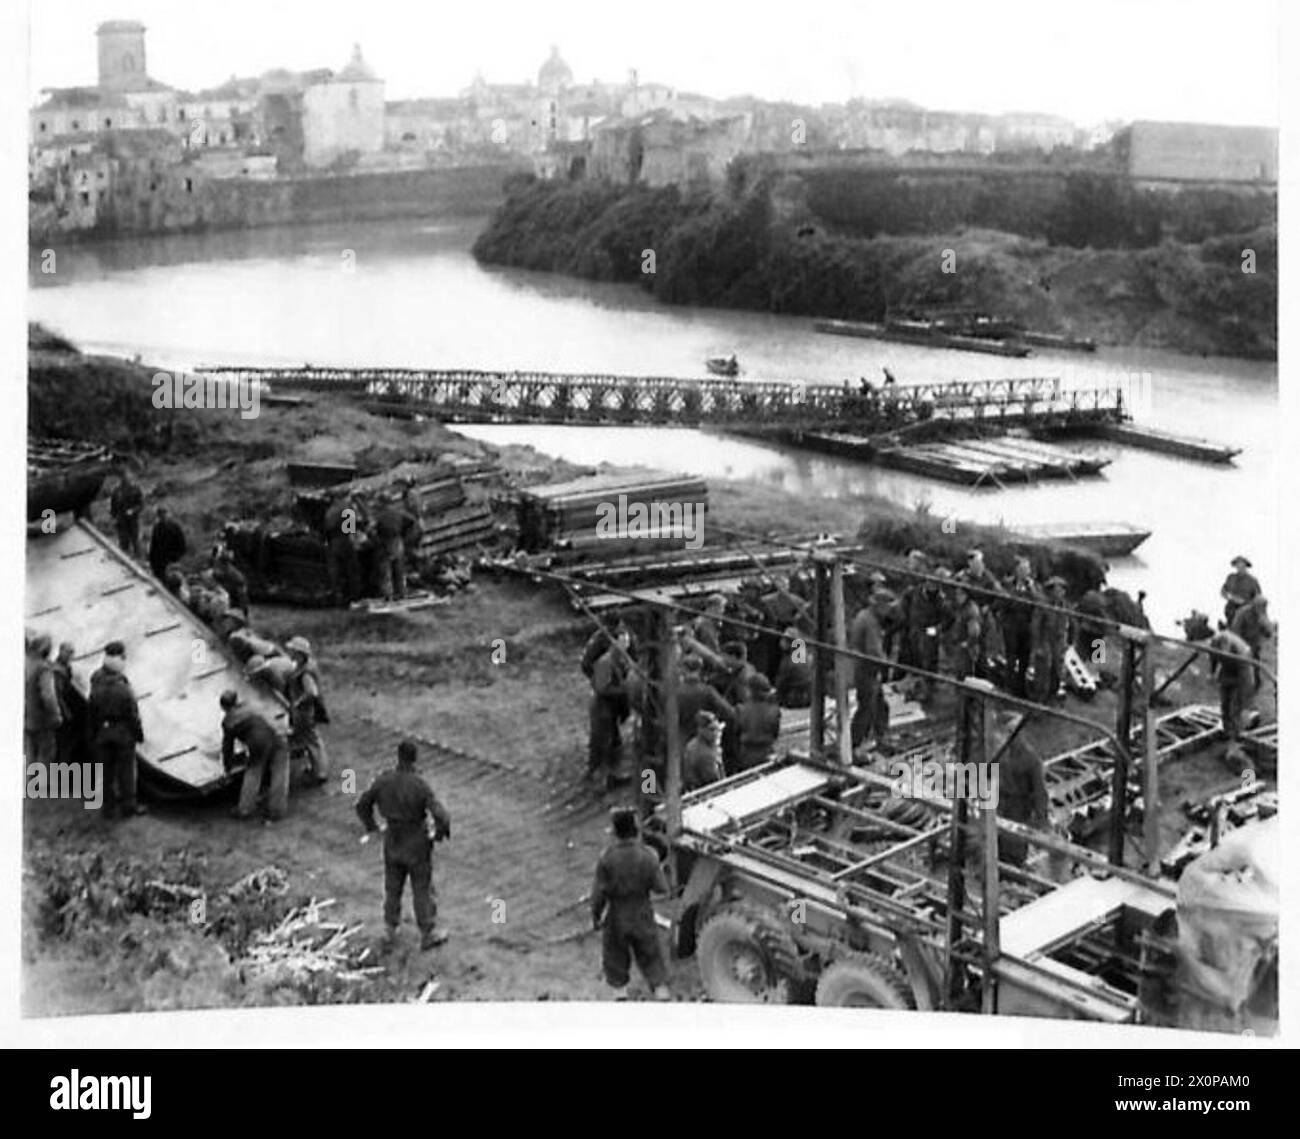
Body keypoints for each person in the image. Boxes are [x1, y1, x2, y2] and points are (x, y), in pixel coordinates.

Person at [356, 740, 452, 950]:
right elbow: (442, 816)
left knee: (392, 887)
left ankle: (390, 929)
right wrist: (438, 835)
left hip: (392, 838)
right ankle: (427, 932)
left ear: (398, 756)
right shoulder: (419, 784)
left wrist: (373, 827)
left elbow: (362, 805)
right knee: (421, 889)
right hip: (416, 841)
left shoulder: (384, 780)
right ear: (414, 758)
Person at [590, 807, 671, 1001]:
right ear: (635, 829)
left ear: (615, 831)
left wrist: (595, 917)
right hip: (642, 913)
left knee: (616, 962)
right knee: (652, 959)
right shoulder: (648, 856)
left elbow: (598, 894)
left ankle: (621, 1000)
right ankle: (662, 997)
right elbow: (662, 888)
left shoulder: (607, 858)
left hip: (617, 916)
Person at [87, 641, 145, 818]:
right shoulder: (123, 689)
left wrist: (94, 732)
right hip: (123, 734)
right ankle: (129, 806)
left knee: (105, 773)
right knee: (126, 772)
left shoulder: (96, 679)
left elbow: (92, 709)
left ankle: (108, 807)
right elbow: (132, 714)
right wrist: (139, 734)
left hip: (103, 733)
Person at [219, 690, 290, 822]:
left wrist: (227, 768)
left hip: (258, 743)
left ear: (223, 707)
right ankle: (276, 811)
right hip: (277, 734)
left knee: (253, 772)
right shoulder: (250, 705)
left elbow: (227, 747)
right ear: (236, 701)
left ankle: (245, 809)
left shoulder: (228, 722)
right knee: (280, 772)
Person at [991, 713, 1048, 867]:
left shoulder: (1031, 760)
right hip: (999, 805)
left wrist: (1042, 821)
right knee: (995, 844)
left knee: (1014, 846)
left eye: (1011, 733)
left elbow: (1040, 793)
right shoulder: (1000, 754)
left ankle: (1014, 871)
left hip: (1019, 809)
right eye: (1006, 733)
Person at [848, 589, 893, 752]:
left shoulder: (863, 615)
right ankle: (855, 742)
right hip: (867, 670)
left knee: (879, 706)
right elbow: (874, 650)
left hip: (862, 667)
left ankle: (879, 737)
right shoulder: (871, 622)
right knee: (867, 708)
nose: (888, 611)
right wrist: (887, 664)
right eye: (887, 606)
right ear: (879, 605)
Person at [588, 629, 632, 781]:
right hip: (602, 709)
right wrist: (626, 689)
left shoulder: (622, 658)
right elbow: (602, 688)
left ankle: (611, 774)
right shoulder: (605, 662)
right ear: (614, 641)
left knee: (613, 742)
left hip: (612, 708)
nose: (627, 643)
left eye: (628, 640)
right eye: (623, 640)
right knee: (603, 743)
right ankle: (600, 779)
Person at [285, 636, 329, 785]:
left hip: (304, 712)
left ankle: (320, 772)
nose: (289, 652)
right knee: (311, 740)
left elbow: (311, 692)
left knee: (312, 741)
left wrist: (298, 702)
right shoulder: (308, 665)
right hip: (306, 711)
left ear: (298, 653)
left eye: (292, 650)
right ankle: (316, 768)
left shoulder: (305, 672)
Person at [1000, 557, 1042, 698]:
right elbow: (1005, 601)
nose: (1025, 573)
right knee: (1011, 657)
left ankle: (1021, 687)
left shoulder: (1033, 586)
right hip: (1011, 625)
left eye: (1027, 570)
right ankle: (1008, 687)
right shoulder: (1008, 584)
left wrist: (1031, 589)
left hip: (1026, 627)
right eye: (1022, 569)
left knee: (1025, 658)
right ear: (1017, 571)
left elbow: (1039, 603)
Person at [1208, 629, 1253, 747]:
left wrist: (1246, 706)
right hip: (1227, 670)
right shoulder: (1214, 643)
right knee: (1224, 702)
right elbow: (1212, 658)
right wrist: (1212, 672)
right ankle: (1227, 731)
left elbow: (1247, 682)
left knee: (1235, 705)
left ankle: (1237, 736)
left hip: (1239, 672)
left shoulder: (1242, 653)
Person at [675, 654, 734, 744]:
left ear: (684, 670)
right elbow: (728, 712)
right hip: (704, 740)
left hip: (681, 741)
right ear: (700, 669)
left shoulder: (676, 693)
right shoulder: (707, 691)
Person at [24, 633, 62, 767]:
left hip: (27, 719)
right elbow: (48, 695)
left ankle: (30, 785)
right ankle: (39, 787)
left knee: (30, 756)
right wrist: (56, 716)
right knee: (45, 757)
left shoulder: (26, 663)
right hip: (42, 721)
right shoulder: (43, 668)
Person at [1031, 577, 1071, 702]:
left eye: (1062, 590)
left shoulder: (1064, 606)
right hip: (1045, 640)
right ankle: (1039, 700)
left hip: (1059, 642)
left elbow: (1069, 624)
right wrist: (1037, 645)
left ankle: (1052, 697)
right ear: (1051, 591)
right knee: (1043, 672)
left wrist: (1068, 642)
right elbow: (1035, 626)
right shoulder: (1043, 606)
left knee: (1057, 671)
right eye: (1058, 590)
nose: (1061, 593)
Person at [323, 491, 363, 606]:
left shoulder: (330, 510)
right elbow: (349, 529)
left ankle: (338, 597)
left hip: (333, 542)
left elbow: (326, 529)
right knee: (352, 569)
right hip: (344, 542)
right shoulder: (346, 509)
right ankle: (353, 597)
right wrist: (356, 541)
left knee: (336, 571)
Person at [734, 674, 782, 771]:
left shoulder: (741, 710)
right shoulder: (774, 711)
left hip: (746, 754)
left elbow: (736, 732)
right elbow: (775, 734)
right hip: (766, 752)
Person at [373, 499, 417, 601]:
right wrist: (405, 534)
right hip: (397, 540)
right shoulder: (399, 512)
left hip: (385, 542)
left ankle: (388, 594)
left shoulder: (379, 515)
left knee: (385, 570)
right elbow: (412, 521)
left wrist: (375, 540)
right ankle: (401, 593)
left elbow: (371, 529)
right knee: (399, 569)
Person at [51, 641, 86, 764]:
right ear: (61, 652)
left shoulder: (65, 668)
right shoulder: (57, 671)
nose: (70, 656)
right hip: (61, 715)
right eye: (68, 652)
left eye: (72, 653)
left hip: (65, 711)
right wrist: (66, 714)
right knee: (62, 746)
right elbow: (57, 695)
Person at [1229, 595, 1272, 693]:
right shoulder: (1243, 612)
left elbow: (1268, 633)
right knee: (1239, 670)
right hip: (1241, 646)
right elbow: (1235, 630)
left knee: (1255, 670)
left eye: (1265, 606)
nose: (1264, 608)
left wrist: (1264, 623)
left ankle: (1253, 692)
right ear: (1255, 605)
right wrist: (1242, 646)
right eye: (1262, 606)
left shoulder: (1262, 615)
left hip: (1254, 647)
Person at [945, 583, 983, 680]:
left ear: (966, 595)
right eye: (957, 594)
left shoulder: (971, 609)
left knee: (966, 676)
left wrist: (967, 643)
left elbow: (975, 630)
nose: (958, 597)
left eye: (960, 594)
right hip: (959, 645)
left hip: (968, 648)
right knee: (958, 672)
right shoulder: (959, 607)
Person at [682, 710, 724, 791]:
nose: (716, 733)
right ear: (701, 730)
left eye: (718, 729)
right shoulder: (705, 754)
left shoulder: (693, 744)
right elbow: (716, 783)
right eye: (712, 730)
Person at [773, 625, 811, 708]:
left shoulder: (790, 661)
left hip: (795, 698)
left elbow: (781, 683)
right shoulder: (804, 653)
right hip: (809, 696)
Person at [109, 470, 144, 557]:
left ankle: (138, 558)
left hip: (133, 519)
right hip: (121, 520)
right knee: (123, 541)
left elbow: (141, 504)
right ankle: (125, 558)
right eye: (123, 477)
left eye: (126, 477)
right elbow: (113, 506)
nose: (125, 479)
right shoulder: (116, 490)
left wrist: (133, 510)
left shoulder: (135, 489)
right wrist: (114, 518)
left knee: (135, 540)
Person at [148, 506, 187, 582]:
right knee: (165, 579)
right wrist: (152, 560)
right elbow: (154, 545)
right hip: (162, 560)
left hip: (171, 559)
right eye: (161, 515)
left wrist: (177, 556)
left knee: (173, 578)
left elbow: (182, 543)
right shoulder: (157, 528)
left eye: (164, 514)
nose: (163, 517)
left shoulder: (174, 527)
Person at [1220, 555, 1261, 624]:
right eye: (1237, 564)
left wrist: (1246, 602)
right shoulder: (1231, 578)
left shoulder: (1252, 581)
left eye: (1242, 564)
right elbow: (1223, 591)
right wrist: (1230, 597)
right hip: (1232, 608)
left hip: (1247, 608)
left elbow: (1258, 597)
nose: (1239, 567)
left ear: (1245, 566)